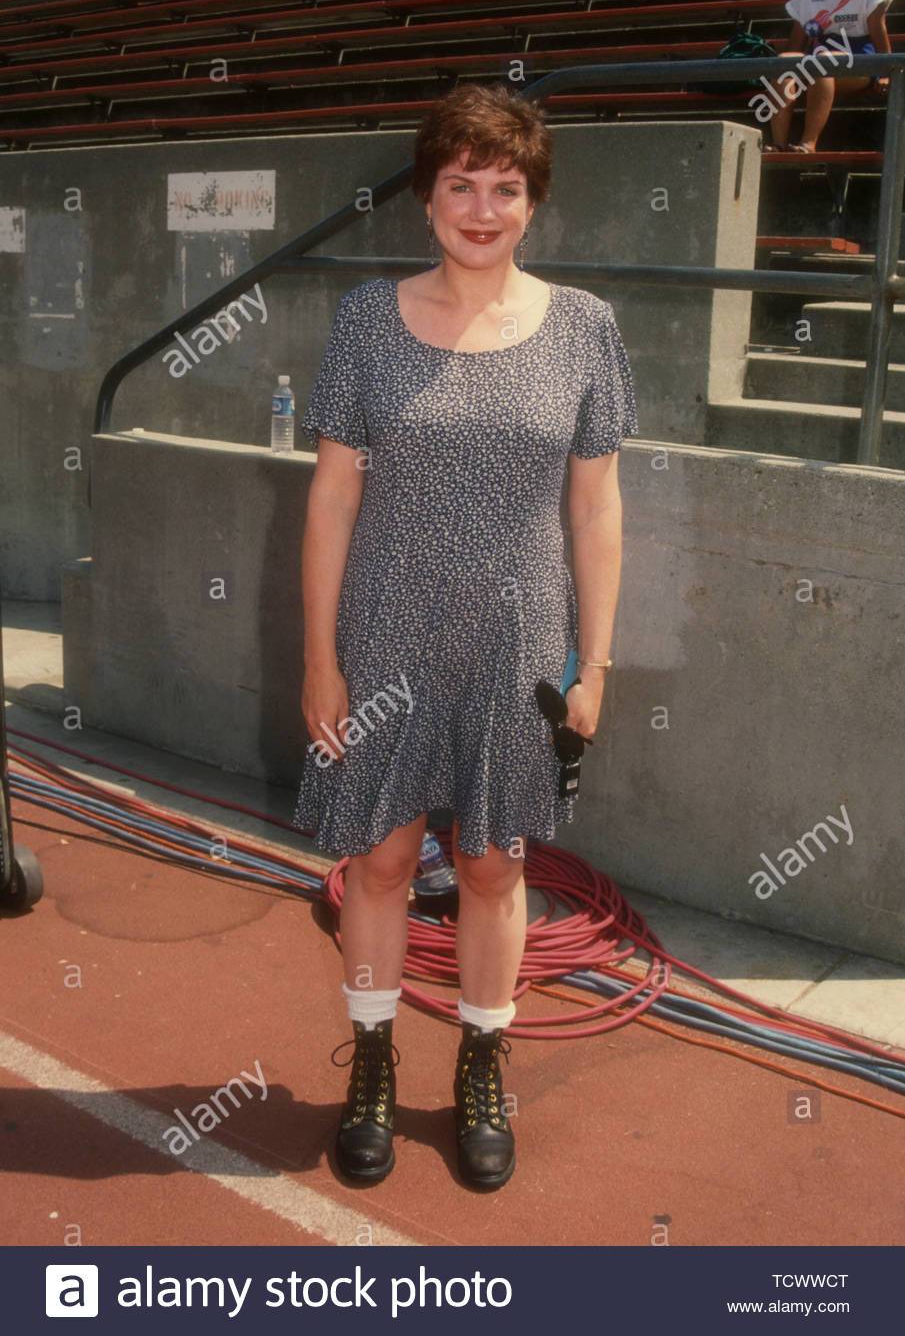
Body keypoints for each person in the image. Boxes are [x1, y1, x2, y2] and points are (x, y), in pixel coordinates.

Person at [293, 81, 639, 1191]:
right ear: (426, 196)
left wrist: (595, 662)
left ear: (531, 202)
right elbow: (333, 496)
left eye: (505, 187)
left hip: (518, 644)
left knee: (493, 864)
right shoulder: (363, 320)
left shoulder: (585, 328)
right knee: (384, 858)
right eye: (460, 184)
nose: (481, 208)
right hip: (385, 635)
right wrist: (319, 657)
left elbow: (595, 507)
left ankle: (484, 1062)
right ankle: (375, 1060)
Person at [764, 0, 892, 153]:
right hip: (819, 51)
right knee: (784, 63)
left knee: (822, 63)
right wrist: (790, 65)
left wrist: (885, 70)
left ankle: (808, 143)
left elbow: (877, 23)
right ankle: (778, 144)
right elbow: (799, 30)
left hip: (859, 54)